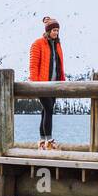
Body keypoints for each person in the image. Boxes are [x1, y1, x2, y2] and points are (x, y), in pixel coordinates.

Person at [29, 15, 65, 150]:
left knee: (45, 111)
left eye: (57, 30)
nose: (56, 32)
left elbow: (59, 65)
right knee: (49, 110)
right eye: (54, 30)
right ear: (48, 31)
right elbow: (33, 65)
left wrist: (62, 81)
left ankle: (42, 141)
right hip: (42, 84)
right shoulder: (38, 43)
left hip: (54, 85)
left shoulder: (58, 45)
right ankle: (48, 140)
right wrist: (36, 84)